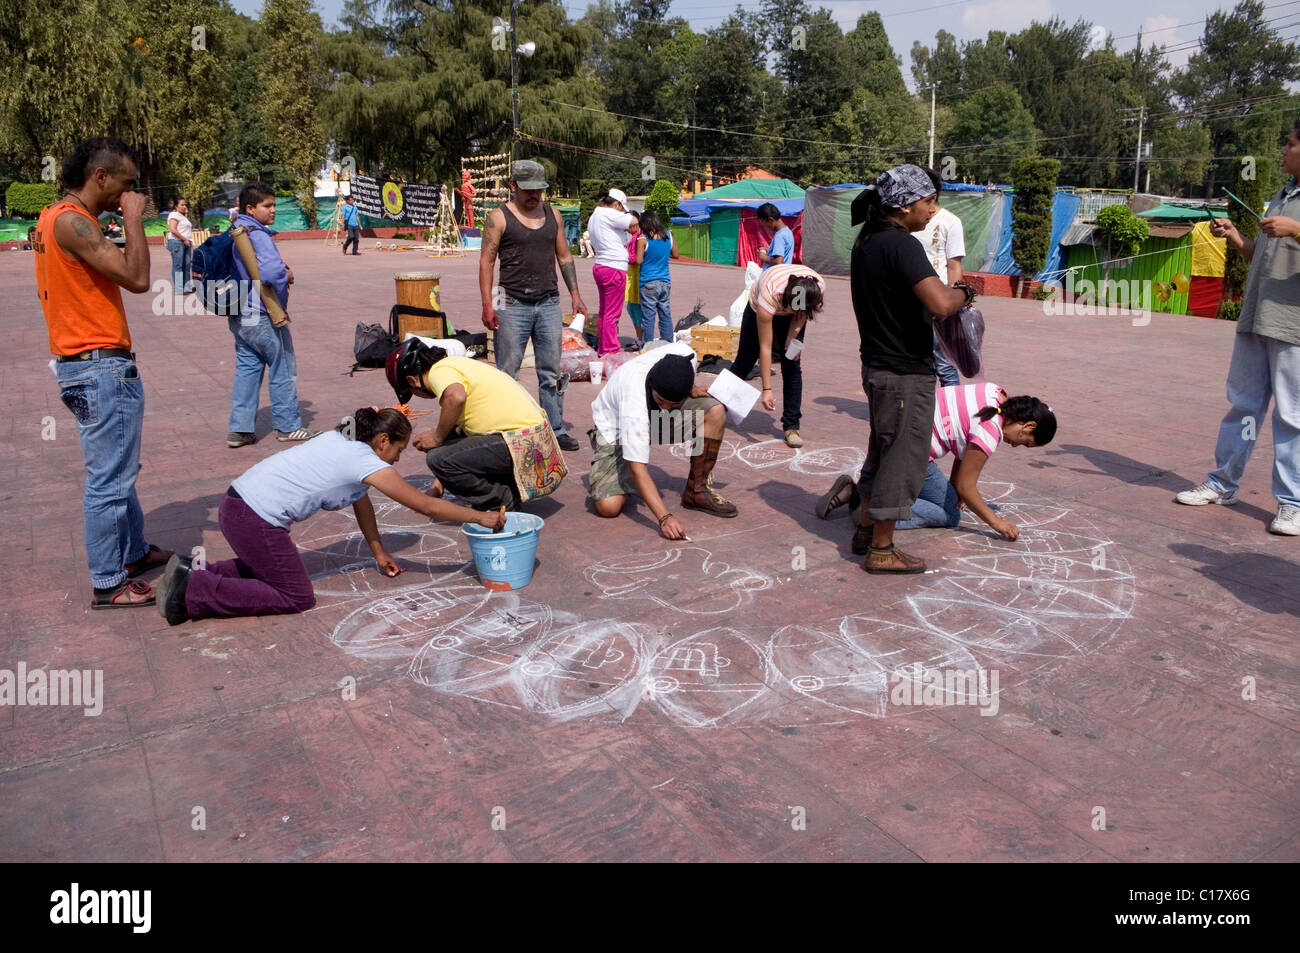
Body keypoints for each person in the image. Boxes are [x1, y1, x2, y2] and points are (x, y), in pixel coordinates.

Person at [154, 408, 506, 625]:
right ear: (383, 440)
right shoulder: (363, 460)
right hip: (253, 517)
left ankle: (194, 571)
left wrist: (378, 550)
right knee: (294, 596)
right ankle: (194, 593)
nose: (398, 460)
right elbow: (425, 505)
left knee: (268, 568)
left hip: (238, 504)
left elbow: (360, 499)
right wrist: (480, 516)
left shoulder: (344, 441)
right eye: (398, 450)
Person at [33, 136, 173, 608]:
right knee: (108, 480)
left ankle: (131, 552)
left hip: (86, 365)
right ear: (100, 177)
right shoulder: (74, 222)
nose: (130, 193)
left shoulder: (55, 216)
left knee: (118, 470)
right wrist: (133, 219)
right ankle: (109, 580)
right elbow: (137, 279)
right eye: (126, 185)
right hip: (98, 368)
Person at [848, 164, 975, 574]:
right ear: (903, 206)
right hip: (904, 371)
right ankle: (882, 548)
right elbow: (939, 302)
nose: (933, 210)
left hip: (878, 365)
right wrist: (965, 293)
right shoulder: (902, 245)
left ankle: (866, 528)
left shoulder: (867, 240)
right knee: (902, 457)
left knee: (882, 451)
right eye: (928, 202)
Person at [1175, 122, 1300, 536]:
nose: (1284, 150)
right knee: (1243, 406)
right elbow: (1260, 257)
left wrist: (1296, 229)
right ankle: (1223, 483)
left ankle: (1293, 503)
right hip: (1255, 319)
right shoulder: (1283, 196)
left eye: (1291, 144)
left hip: (1292, 326)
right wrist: (1235, 237)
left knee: (1292, 416)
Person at [818, 386, 1056, 538]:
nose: (1015, 445)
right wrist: (997, 522)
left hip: (897, 429)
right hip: (911, 452)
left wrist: (956, 493)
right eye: (1025, 442)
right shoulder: (990, 431)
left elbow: (962, 449)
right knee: (951, 516)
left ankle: (863, 492)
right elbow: (966, 487)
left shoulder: (995, 396)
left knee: (951, 502)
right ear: (1028, 426)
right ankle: (866, 509)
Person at [479, 159, 588, 453]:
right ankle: (506, 427)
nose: (534, 195)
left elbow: (565, 257)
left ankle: (556, 427)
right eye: (528, 190)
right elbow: (487, 262)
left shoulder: (553, 215)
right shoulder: (498, 217)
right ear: (512, 186)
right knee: (507, 371)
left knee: (550, 371)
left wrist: (575, 294)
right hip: (511, 302)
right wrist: (488, 304)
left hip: (549, 302)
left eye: (539, 189)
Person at [387, 339, 568, 510]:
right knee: (449, 436)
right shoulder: (455, 365)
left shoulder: (438, 372)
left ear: (413, 381)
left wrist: (436, 437)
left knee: (436, 458)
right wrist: (438, 486)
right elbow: (451, 435)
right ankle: (509, 489)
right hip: (538, 442)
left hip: (523, 444)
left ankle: (502, 500)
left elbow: (456, 398)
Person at [588, 343, 738, 538]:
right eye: (660, 401)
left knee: (714, 411)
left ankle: (696, 492)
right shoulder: (634, 400)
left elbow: (687, 365)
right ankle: (624, 473)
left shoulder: (685, 355)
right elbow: (638, 468)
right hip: (615, 429)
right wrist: (664, 517)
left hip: (651, 422)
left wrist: (691, 389)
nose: (666, 409)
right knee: (608, 507)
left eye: (674, 404)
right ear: (652, 385)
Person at [227, 181, 318, 448]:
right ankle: (289, 426)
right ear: (250, 208)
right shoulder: (257, 233)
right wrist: (286, 275)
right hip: (264, 311)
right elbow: (270, 273)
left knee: (247, 367)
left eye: (274, 204)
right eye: (267, 205)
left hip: (240, 312)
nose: (273, 210)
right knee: (283, 366)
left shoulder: (236, 230)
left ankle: (240, 429)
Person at [727, 263, 826, 448]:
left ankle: (791, 426)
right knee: (744, 362)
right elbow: (765, 347)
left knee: (792, 365)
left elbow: (801, 315)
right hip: (760, 306)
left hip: (794, 307)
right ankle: (717, 405)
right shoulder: (770, 293)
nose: (796, 313)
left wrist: (790, 340)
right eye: (794, 309)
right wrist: (766, 389)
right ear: (787, 301)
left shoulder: (816, 288)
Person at [913, 195, 966, 387]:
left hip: (937, 300)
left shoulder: (949, 222)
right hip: (909, 301)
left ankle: (950, 410)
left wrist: (954, 304)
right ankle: (921, 407)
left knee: (943, 362)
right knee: (914, 359)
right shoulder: (906, 221)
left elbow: (954, 265)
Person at [587, 188, 637, 357]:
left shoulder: (595, 215)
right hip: (614, 267)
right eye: (622, 208)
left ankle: (603, 349)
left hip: (601, 266)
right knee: (612, 314)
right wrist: (628, 216)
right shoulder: (609, 213)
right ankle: (610, 351)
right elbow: (634, 220)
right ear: (616, 204)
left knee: (604, 312)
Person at [636, 210, 681, 346]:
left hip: (648, 283)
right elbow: (676, 255)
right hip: (665, 282)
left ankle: (647, 346)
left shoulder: (643, 239)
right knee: (665, 314)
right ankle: (668, 343)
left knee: (649, 317)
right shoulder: (668, 236)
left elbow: (638, 260)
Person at [165, 197, 194, 297]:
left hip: (186, 243)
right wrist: (184, 239)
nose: (184, 206)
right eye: (182, 205)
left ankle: (187, 287)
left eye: (185, 204)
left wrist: (187, 241)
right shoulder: (174, 215)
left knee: (186, 265)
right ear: (176, 206)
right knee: (178, 266)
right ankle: (178, 288)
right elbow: (173, 230)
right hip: (177, 242)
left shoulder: (183, 216)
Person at [624, 213, 645, 351]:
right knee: (632, 308)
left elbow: (635, 258)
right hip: (632, 274)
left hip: (637, 275)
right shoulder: (634, 237)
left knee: (635, 308)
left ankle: (641, 339)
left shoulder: (639, 237)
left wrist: (622, 254)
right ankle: (639, 338)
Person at [755, 202, 794, 270]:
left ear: (770, 220)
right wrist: (769, 250)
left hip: (774, 276)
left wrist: (764, 258)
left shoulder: (779, 236)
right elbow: (784, 251)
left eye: (764, 224)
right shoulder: (787, 232)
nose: (765, 227)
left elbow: (779, 262)